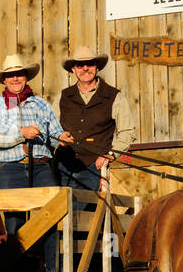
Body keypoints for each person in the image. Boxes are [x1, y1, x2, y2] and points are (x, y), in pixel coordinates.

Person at [0, 53, 73, 272]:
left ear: (25, 77)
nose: (15, 78)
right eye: (10, 75)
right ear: (5, 80)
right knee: (14, 223)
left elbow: (54, 133)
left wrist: (62, 140)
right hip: (11, 167)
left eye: (19, 74)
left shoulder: (41, 104)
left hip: (42, 164)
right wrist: (20, 133)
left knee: (53, 212)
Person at [54, 45, 136, 199]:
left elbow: (127, 131)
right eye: (80, 65)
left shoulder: (113, 96)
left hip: (94, 167)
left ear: (97, 67)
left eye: (90, 64)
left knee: (85, 215)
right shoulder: (62, 97)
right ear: (73, 69)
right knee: (61, 215)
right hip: (62, 167)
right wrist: (59, 138)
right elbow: (51, 129)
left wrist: (110, 155)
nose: (85, 68)